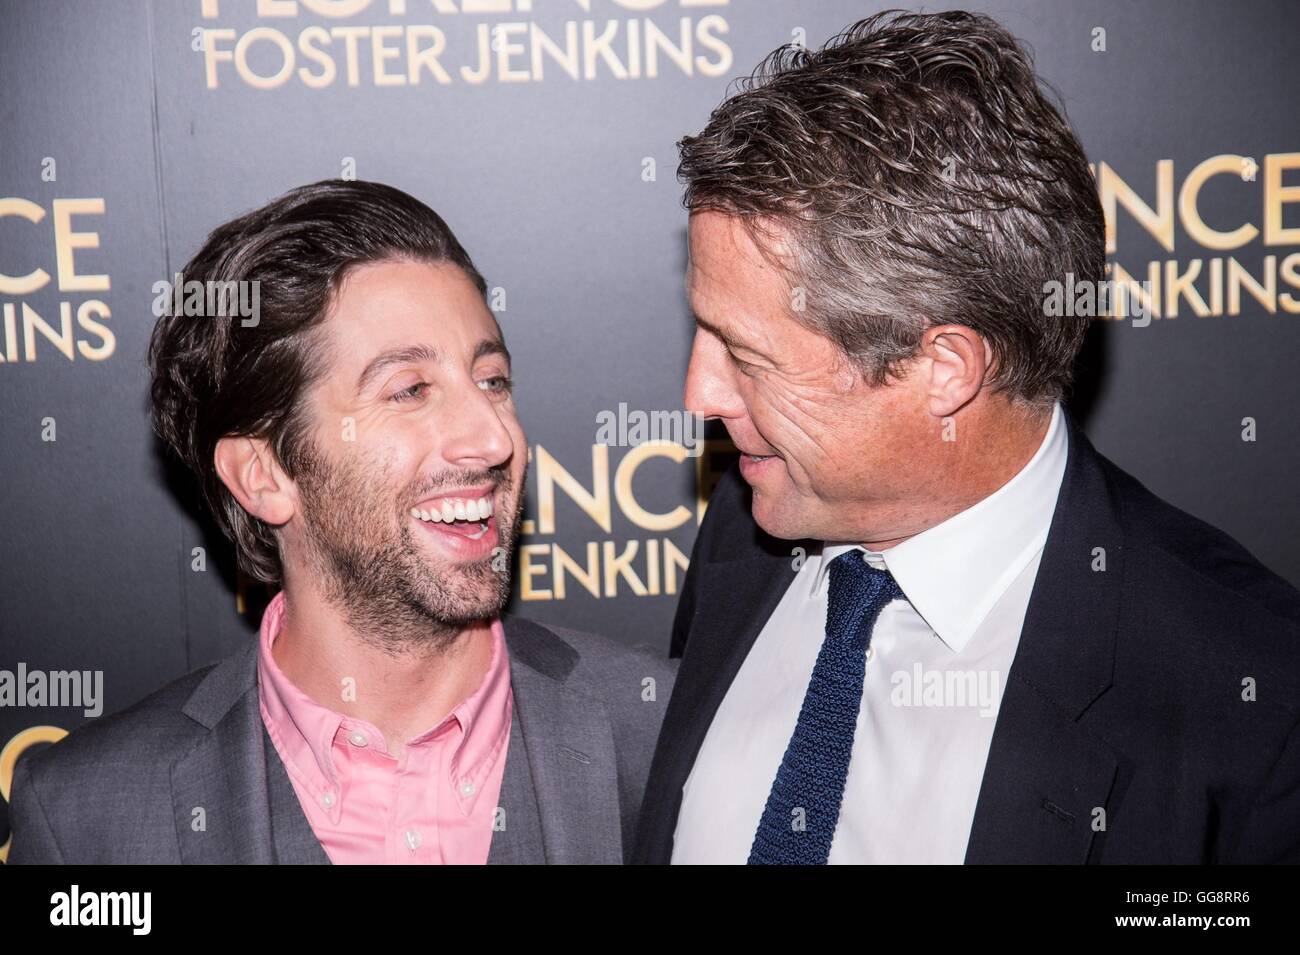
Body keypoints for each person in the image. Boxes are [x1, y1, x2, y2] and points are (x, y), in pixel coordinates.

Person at [633, 11, 1300, 864]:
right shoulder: (751, 525)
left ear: (946, 369)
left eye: (747, 354)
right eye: (703, 333)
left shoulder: (1251, 700)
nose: (701, 394)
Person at [9, 179, 673, 865]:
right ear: (264, 475)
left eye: (493, 380)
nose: (493, 436)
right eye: (410, 390)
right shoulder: (88, 821)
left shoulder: (667, 726)